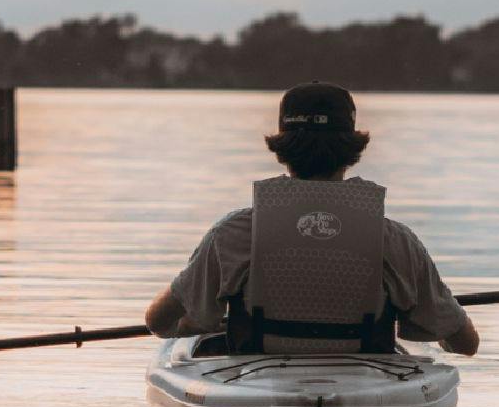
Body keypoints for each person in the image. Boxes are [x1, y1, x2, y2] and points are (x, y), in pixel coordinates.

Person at [145, 83, 481, 357]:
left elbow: (158, 322)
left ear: (281, 149)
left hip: (257, 388)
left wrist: (199, 325)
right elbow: (466, 344)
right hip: (366, 389)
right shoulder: (393, 239)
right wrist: (429, 327)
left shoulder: (235, 233)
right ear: (354, 149)